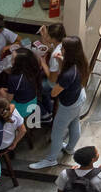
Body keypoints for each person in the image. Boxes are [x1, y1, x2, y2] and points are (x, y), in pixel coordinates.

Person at [30, 35, 88, 171]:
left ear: (68, 51)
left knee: (56, 132)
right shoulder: (79, 63)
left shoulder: (68, 74)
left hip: (68, 105)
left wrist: (52, 71)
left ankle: (51, 159)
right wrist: (60, 60)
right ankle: (70, 148)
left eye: (62, 48)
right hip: (79, 97)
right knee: (74, 122)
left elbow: (53, 93)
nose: (60, 49)